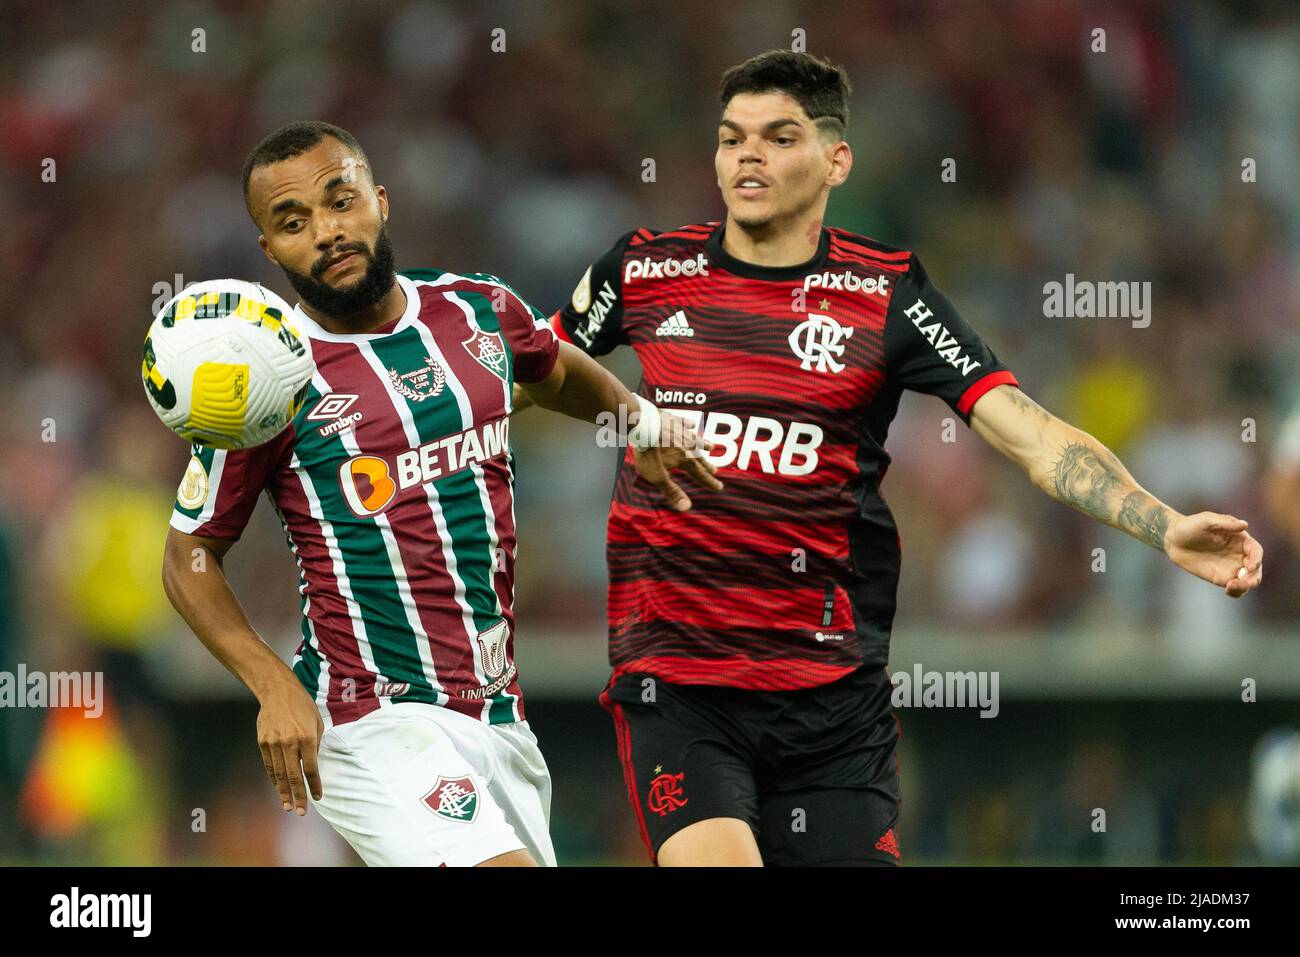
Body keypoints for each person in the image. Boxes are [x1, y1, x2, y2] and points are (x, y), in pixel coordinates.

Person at [523, 50, 1264, 866]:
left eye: (778, 137)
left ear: (836, 158)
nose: (748, 157)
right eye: (732, 138)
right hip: (682, 682)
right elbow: (527, 375)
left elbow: (1031, 433)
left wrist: (1163, 527)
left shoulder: (886, 293)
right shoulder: (646, 269)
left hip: (833, 699)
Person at [160, 121, 717, 867]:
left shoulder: (478, 310)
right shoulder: (267, 378)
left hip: (497, 717)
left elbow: (552, 371)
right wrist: (270, 683)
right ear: (269, 249)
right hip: (369, 718)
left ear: (380, 201)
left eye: (340, 200)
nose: (326, 232)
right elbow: (188, 554)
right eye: (293, 223)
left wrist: (640, 419)